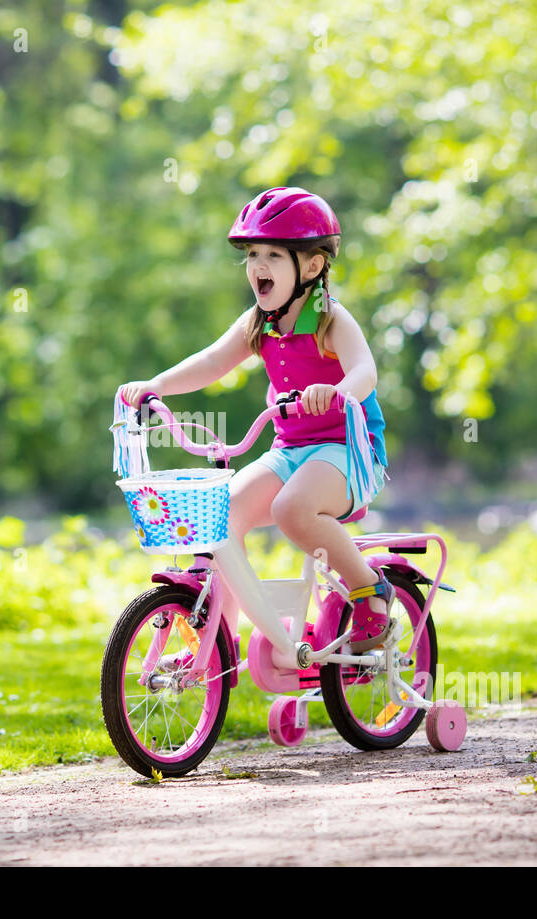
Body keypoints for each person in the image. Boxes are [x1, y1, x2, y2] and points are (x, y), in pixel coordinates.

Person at [119, 186, 394, 652]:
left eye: (272, 254)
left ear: (311, 266)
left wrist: (338, 392)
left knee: (292, 508)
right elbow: (211, 362)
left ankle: (371, 592)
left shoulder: (331, 319)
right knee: (218, 518)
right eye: (251, 255)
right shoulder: (259, 323)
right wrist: (157, 385)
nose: (257, 266)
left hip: (347, 451)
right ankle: (216, 641)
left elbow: (365, 369)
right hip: (290, 450)